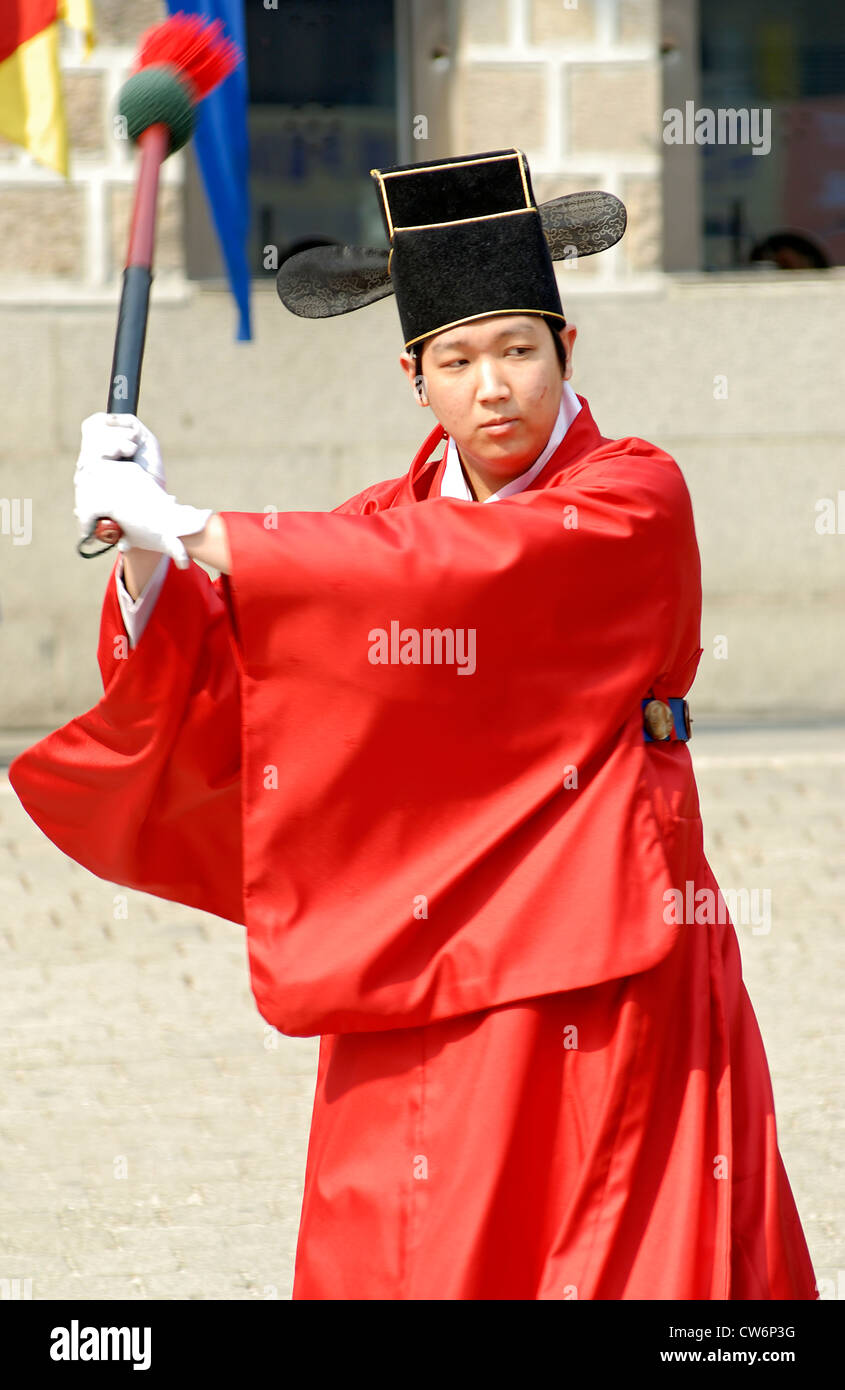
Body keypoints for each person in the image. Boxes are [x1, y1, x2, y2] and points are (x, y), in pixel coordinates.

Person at [9, 148, 818, 1300]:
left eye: (518, 351)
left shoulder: (630, 493)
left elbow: (465, 572)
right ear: (415, 378)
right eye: (458, 359)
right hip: (414, 941)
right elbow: (262, 654)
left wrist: (199, 526)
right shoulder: (370, 527)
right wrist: (147, 550)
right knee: (402, 1247)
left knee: (612, 1252)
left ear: (566, 351)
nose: (493, 387)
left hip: (602, 940)